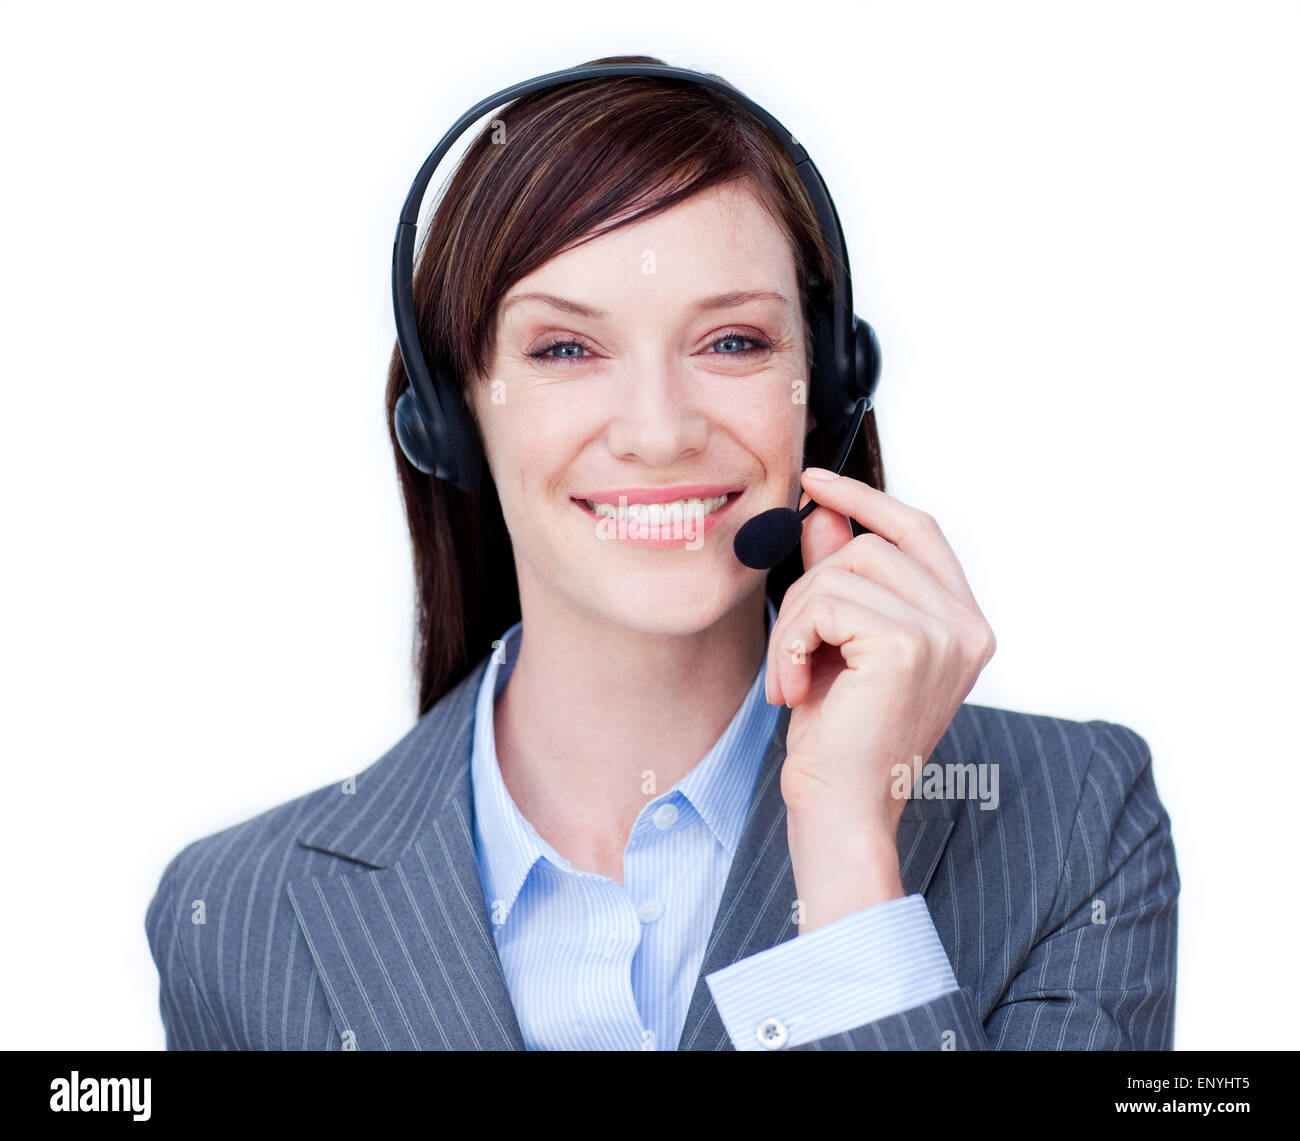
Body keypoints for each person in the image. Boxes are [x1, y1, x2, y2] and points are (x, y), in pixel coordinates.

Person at [145, 55, 1178, 1051]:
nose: (657, 431)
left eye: (731, 342)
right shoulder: (235, 915)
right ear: (452, 419)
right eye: (564, 349)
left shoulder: (1074, 821)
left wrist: (845, 856)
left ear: (821, 392)